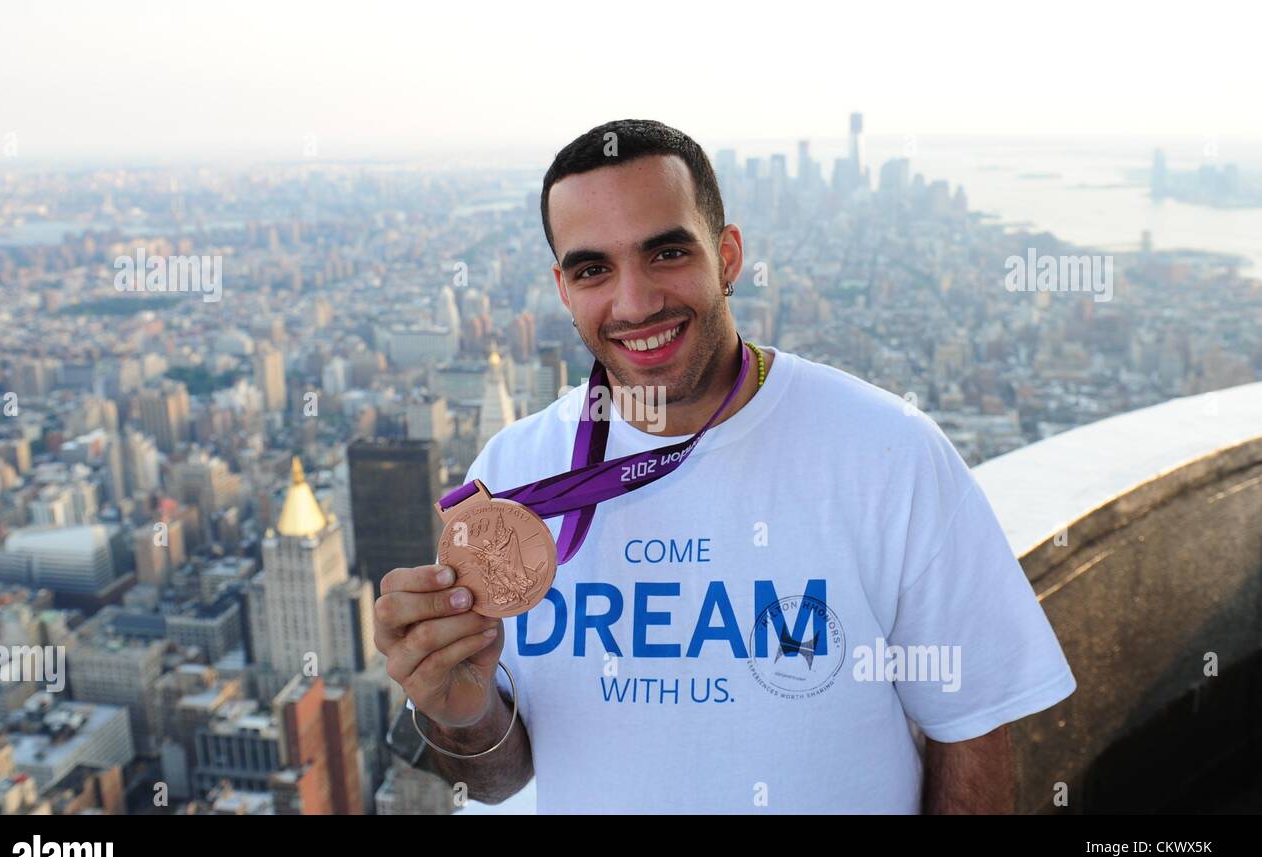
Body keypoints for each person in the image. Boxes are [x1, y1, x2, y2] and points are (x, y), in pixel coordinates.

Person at [374, 119, 1076, 814]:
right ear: (564, 289)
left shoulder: (887, 451)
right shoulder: (512, 474)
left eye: (667, 253)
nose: (635, 301)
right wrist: (459, 712)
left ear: (729, 255)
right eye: (594, 269)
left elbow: (974, 726)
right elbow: (500, 781)